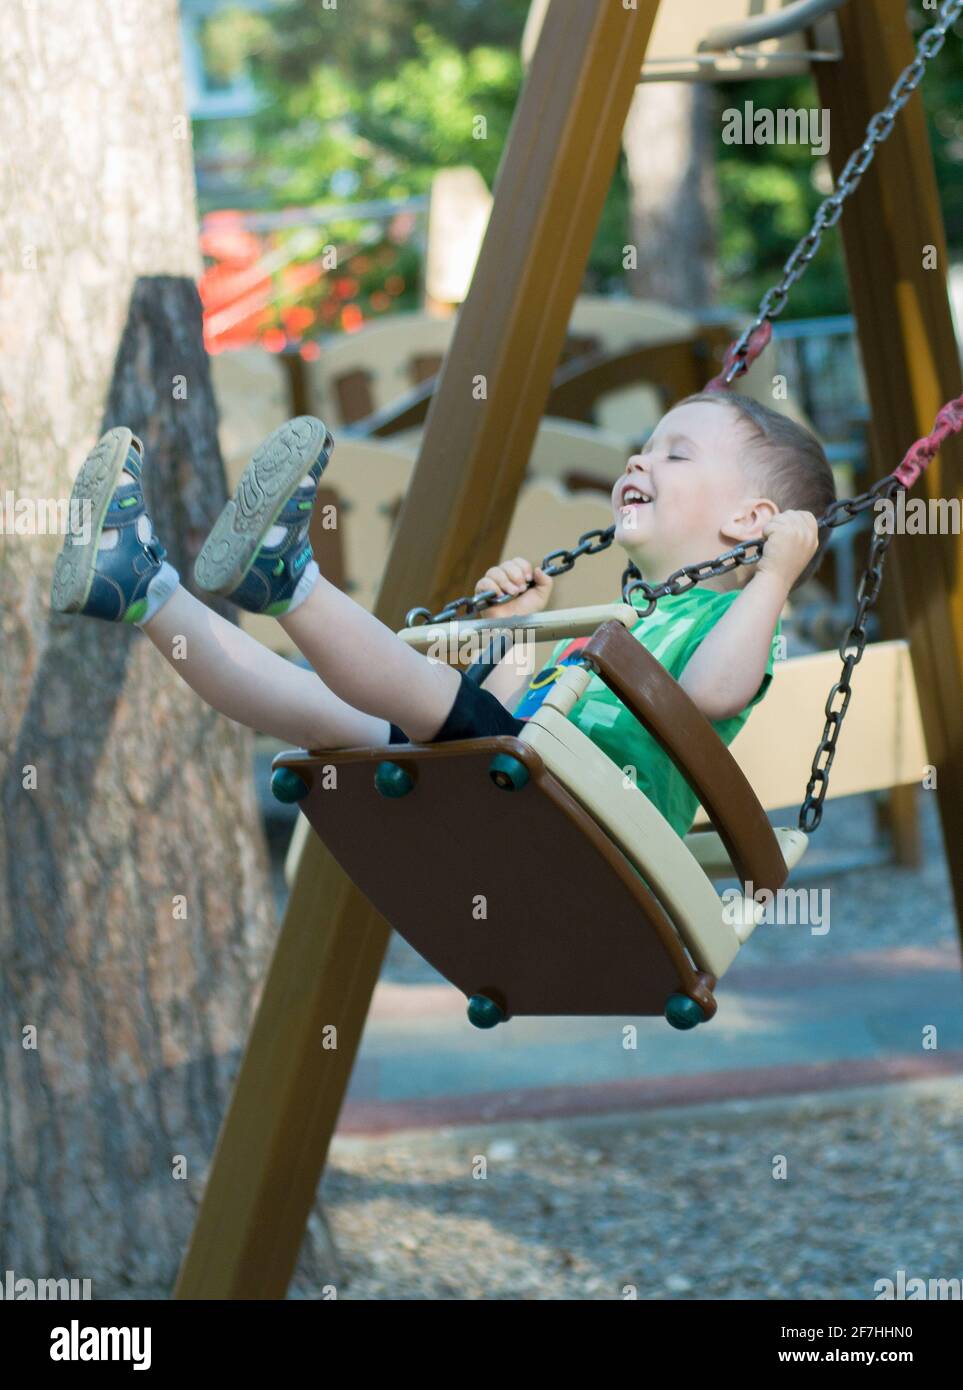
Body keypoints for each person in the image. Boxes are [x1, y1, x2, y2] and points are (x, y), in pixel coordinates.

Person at [51, 395, 835, 837]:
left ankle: (287, 581)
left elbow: (709, 694)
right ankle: (143, 587)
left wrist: (775, 578)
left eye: (675, 455)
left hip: (582, 827)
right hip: (521, 785)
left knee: (424, 690)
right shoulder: (629, 616)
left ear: (750, 520)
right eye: (644, 446)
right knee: (316, 706)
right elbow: (514, 715)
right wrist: (520, 632)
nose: (638, 461)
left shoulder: (734, 622)